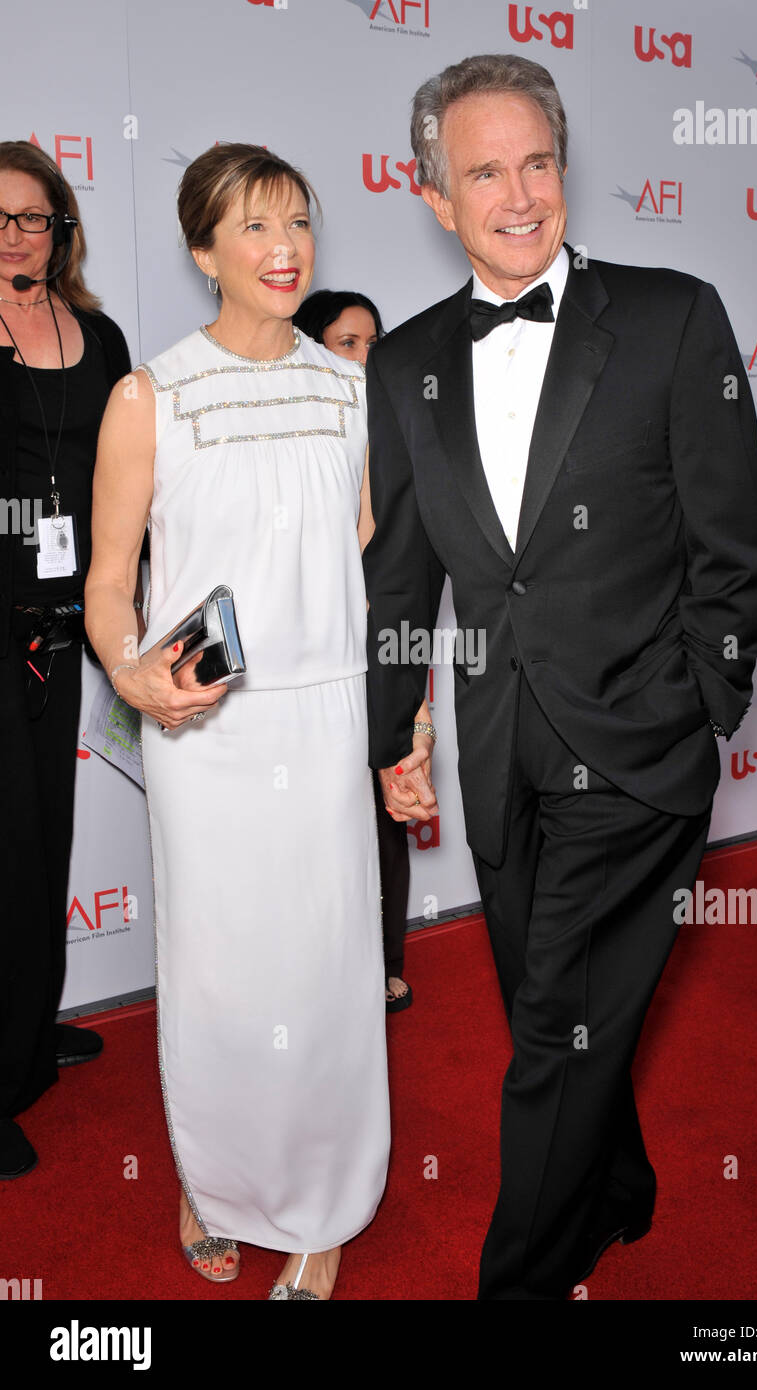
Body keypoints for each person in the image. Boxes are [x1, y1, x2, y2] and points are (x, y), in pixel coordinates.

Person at [362, 54, 757, 1300]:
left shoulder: (669, 315)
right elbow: (402, 579)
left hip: (639, 749)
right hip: (500, 755)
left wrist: (706, 704)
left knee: (550, 1027)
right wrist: (393, 737)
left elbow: (731, 545)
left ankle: (522, 1279)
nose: (519, 193)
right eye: (484, 171)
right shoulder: (409, 359)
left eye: (536, 161)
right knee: (564, 1006)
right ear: (436, 197)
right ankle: (618, 1191)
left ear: (564, 165)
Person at [85, 144, 423, 1299]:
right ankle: (215, 1180)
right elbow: (108, 585)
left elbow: (375, 550)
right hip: (208, 735)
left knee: (327, 968)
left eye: (298, 223)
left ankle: (323, 1205)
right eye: (255, 227)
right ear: (202, 251)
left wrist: (391, 705)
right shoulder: (151, 394)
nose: (285, 249)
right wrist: (135, 677)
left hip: (322, 719)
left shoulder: (347, 387)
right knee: (221, 971)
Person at [0, 141, 131, 1181]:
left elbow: (128, 479)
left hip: (65, 626)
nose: (14, 235)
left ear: (62, 228)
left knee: (45, 842)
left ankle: (28, 1035)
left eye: (32, 217)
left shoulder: (100, 335)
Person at [294, 288, 420, 1013]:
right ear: (314, 348)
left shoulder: (398, 424)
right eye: (348, 341)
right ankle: (319, 966)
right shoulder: (301, 431)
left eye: (374, 339)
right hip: (309, 639)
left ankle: (385, 960)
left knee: (383, 794)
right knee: (314, 807)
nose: (366, 354)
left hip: (382, 634)